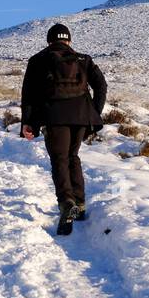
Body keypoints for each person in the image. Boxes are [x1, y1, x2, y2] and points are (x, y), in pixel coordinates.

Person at [19, 23, 108, 235]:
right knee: (72, 156)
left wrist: (28, 122)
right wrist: (93, 114)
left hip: (54, 117)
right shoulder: (83, 59)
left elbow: (28, 95)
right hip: (80, 117)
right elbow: (101, 86)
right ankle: (80, 205)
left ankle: (66, 203)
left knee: (59, 159)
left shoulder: (38, 60)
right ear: (69, 40)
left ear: (49, 41)